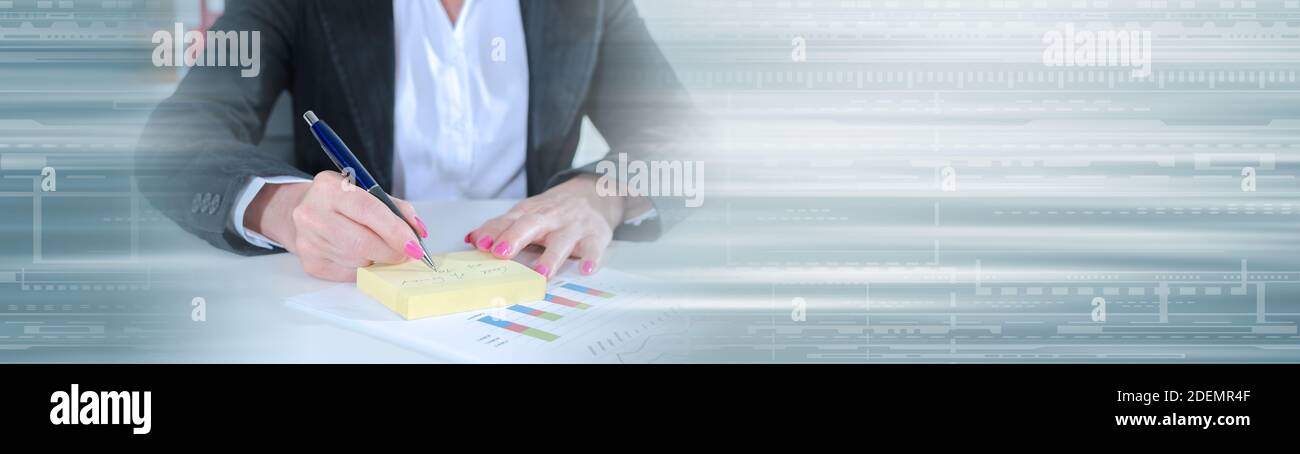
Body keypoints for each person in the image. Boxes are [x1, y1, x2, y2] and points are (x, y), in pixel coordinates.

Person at [137, 0, 699, 281]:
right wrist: (284, 208)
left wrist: (603, 192)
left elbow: (686, 138)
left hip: (525, 289)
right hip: (353, 299)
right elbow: (177, 139)